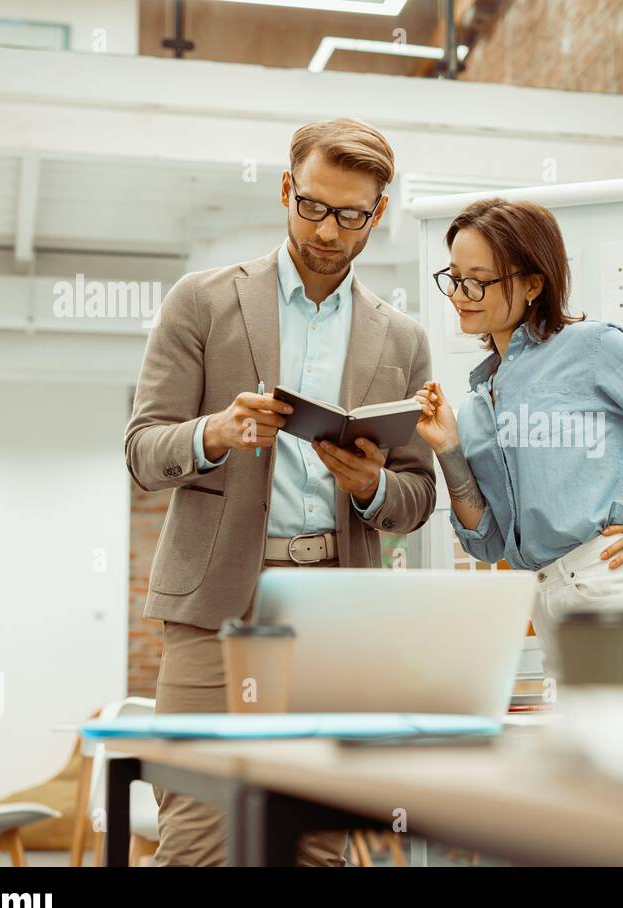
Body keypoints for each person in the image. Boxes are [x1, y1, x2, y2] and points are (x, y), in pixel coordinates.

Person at [124, 118, 435, 866]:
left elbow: (418, 495)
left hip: (337, 607)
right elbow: (142, 451)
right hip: (216, 605)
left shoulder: (403, 339)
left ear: (379, 213)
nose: (328, 230)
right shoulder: (201, 302)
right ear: (286, 189)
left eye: (350, 215)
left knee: (316, 849)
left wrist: (370, 489)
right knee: (197, 843)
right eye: (313, 206)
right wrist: (215, 434)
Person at [413, 197, 623, 699]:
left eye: (480, 279)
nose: (462, 294)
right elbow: (487, 542)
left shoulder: (591, 348)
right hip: (554, 616)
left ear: (532, 282)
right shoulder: (479, 403)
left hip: (618, 600)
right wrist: (450, 449)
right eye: (455, 277)